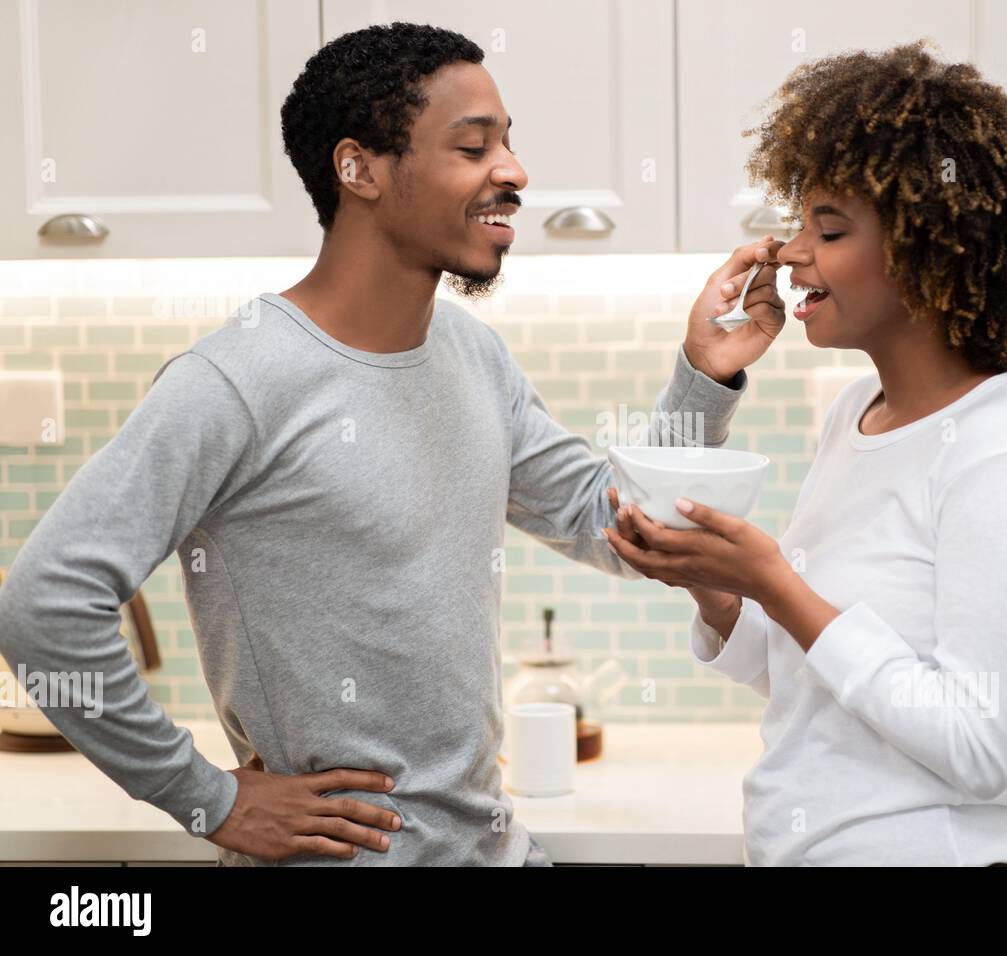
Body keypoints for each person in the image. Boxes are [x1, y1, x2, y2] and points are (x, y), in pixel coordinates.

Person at [0, 23, 787, 866]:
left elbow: (615, 528)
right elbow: (43, 606)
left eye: (509, 142)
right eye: (473, 146)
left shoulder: (472, 355)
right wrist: (208, 799)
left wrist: (703, 373)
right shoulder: (235, 379)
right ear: (359, 168)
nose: (514, 170)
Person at [605, 42, 1007, 866]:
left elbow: (981, 751)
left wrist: (775, 583)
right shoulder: (853, 418)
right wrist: (720, 590)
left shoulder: (1005, 462)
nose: (791, 252)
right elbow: (817, 677)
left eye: (827, 229)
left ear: (930, 250)